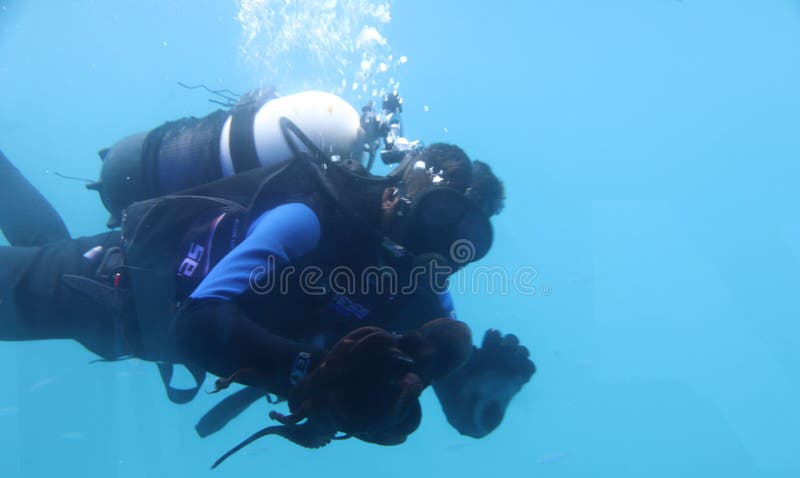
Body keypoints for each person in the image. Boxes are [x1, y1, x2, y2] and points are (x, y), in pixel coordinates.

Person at [0, 118, 535, 458]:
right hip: (109, 288)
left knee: (41, 241)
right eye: (440, 216)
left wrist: (477, 382)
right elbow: (199, 321)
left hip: (138, 335)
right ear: (397, 193)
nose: (437, 245)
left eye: (466, 237)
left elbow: (461, 406)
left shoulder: (423, 288)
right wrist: (309, 370)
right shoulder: (311, 218)